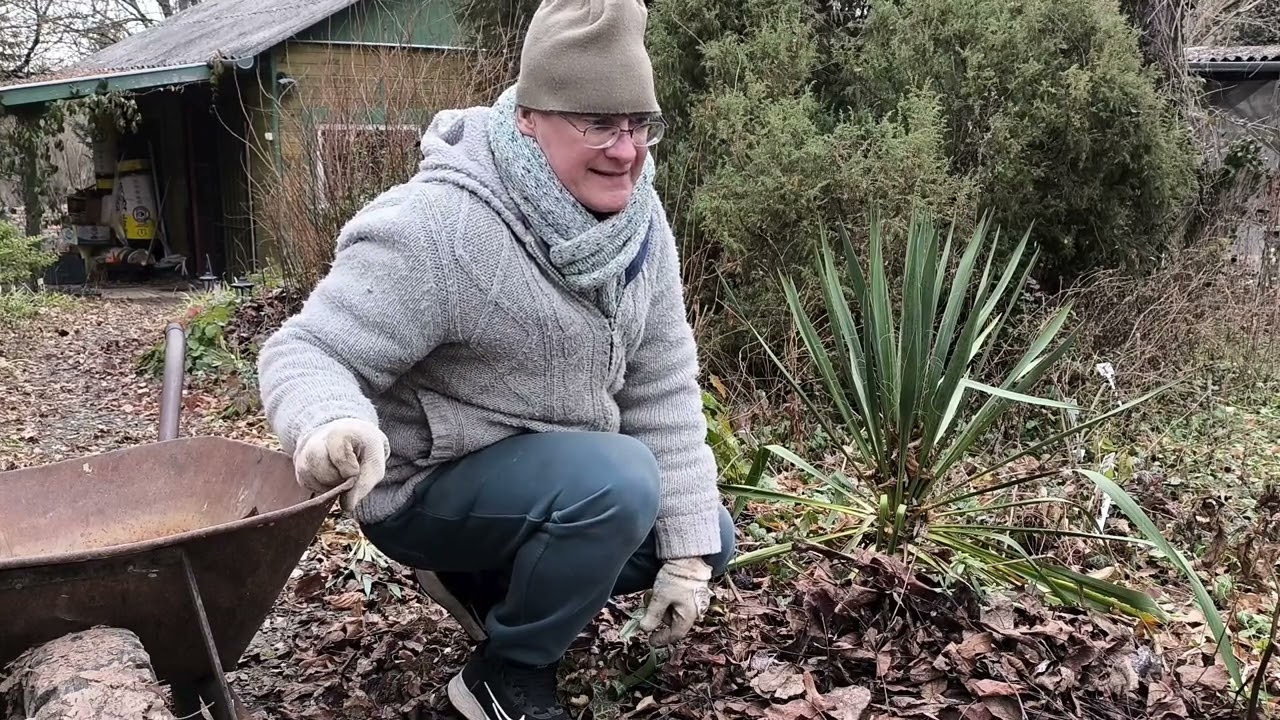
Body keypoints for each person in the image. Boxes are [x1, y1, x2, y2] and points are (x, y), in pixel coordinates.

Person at [255, 0, 736, 717]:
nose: (626, 150)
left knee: (704, 531)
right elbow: (307, 348)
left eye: (639, 124)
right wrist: (328, 424)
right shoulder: (444, 227)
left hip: (550, 479)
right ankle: (506, 677)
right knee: (622, 483)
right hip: (425, 489)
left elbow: (660, 384)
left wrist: (688, 561)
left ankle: (486, 589)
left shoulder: (640, 224)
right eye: (598, 124)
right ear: (530, 117)